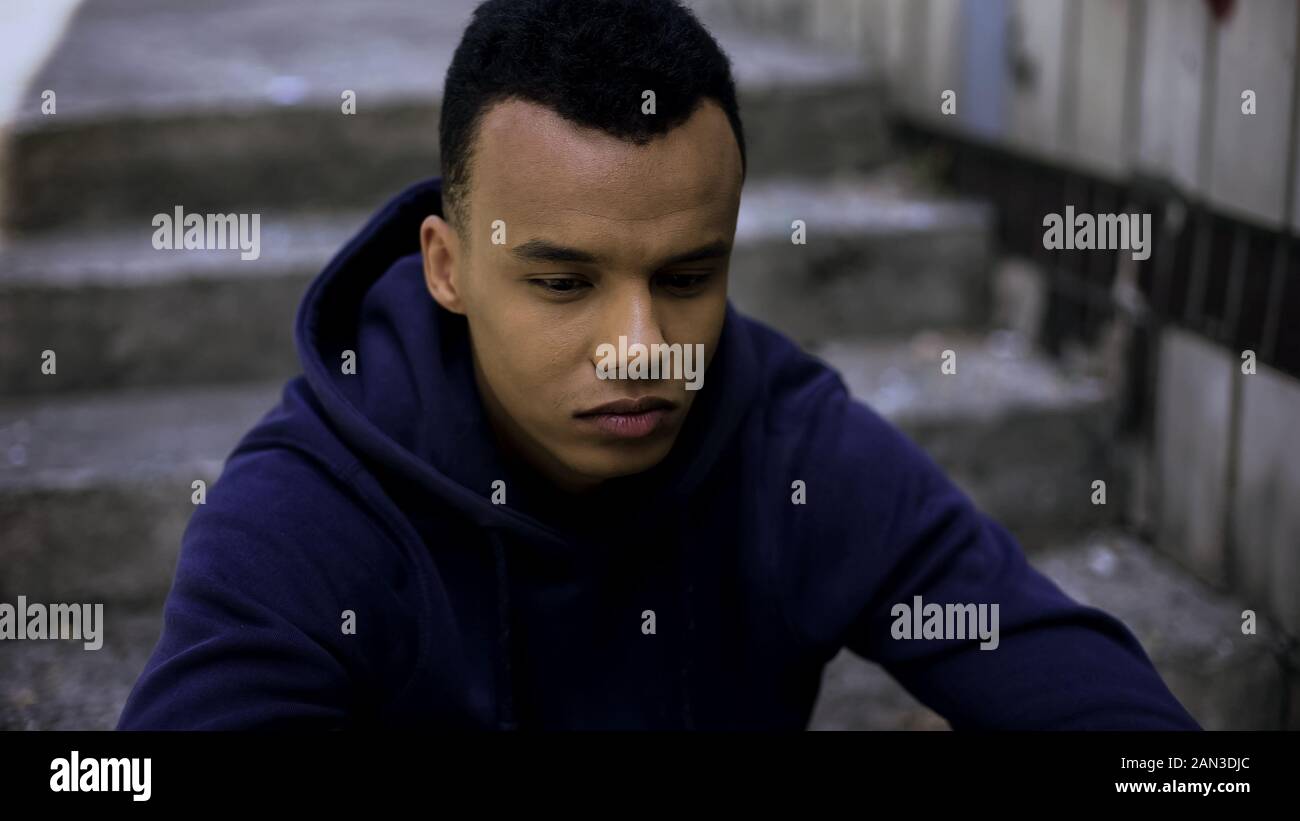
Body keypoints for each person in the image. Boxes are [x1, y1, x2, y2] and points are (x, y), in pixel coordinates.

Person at [118, 0, 1199, 730]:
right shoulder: (310, 511)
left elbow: (1080, 690)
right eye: (563, 281)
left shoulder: (790, 447)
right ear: (446, 267)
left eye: (686, 276)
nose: (643, 347)